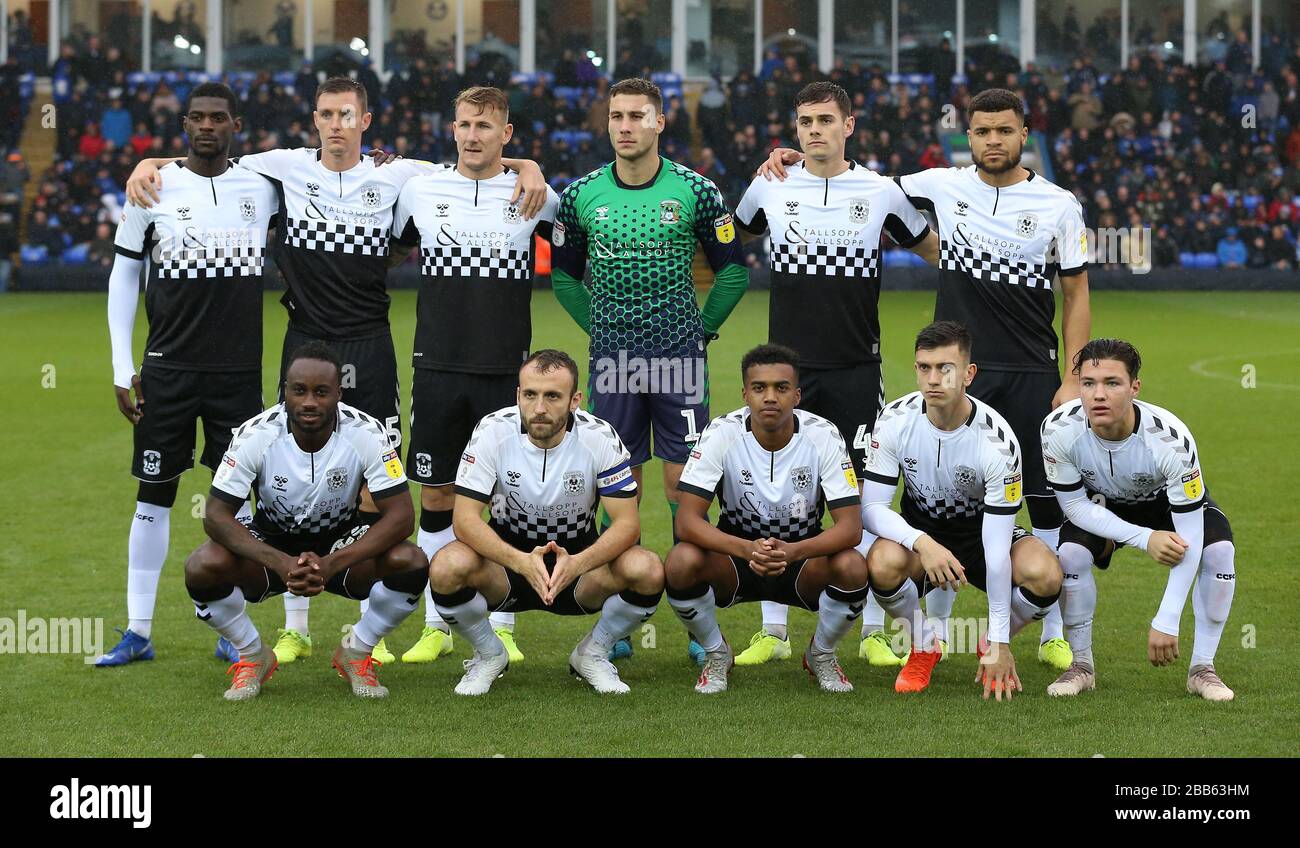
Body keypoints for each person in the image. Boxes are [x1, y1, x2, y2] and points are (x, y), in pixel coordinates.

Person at [125, 77, 548, 665]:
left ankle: (364, 634)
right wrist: (153, 159)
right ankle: (294, 628)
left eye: (346, 114)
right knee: (289, 481)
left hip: (371, 344)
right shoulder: (282, 168)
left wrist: (528, 166)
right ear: (315, 119)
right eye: (325, 114)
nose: (335, 124)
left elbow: (476, 161)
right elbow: (209, 151)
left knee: (379, 490)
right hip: (305, 341)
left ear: (365, 121)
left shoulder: (404, 177)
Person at [760, 87, 1089, 672]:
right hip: (956, 374)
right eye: (981, 132)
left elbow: (1076, 292)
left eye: (1004, 131)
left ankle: (1051, 632)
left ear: (1024, 134)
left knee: (1042, 506)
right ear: (968, 137)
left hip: (1031, 374)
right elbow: (858, 180)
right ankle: (929, 636)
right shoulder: (941, 184)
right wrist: (796, 154)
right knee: (940, 498)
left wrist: (1071, 376)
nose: (992, 141)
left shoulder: (1060, 204)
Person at [731, 81, 937, 667]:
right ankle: (774, 628)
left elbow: (933, 249)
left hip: (853, 367)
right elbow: (734, 230)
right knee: (774, 491)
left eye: (825, 119)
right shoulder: (772, 184)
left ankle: (873, 627)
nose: (814, 130)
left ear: (850, 125)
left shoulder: (879, 191)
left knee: (863, 494)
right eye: (804, 121)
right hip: (783, 371)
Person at [550, 77, 750, 663]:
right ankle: (621, 623)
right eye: (617, 116)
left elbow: (733, 271)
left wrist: (699, 332)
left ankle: (695, 620)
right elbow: (564, 276)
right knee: (619, 486)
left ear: (660, 122)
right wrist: (606, 333)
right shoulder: (581, 195)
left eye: (638, 115)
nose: (625, 126)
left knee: (682, 487)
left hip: (679, 360)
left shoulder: (696, 191)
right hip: (613, 365)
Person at [98, 83, 279, 667]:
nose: (208, 126)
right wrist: (123, 367)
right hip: (167, 372)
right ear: (183, 125)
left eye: (219, 118)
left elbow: (331, 172)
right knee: (154, 496)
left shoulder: (263, 186)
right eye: (198, 118)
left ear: (236, 124)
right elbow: (124, 276)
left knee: (237, 506)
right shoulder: (152, 186)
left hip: (236, 376)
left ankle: (234, 629)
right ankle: (138, 632)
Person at [388, 86, 561, 665]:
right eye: (463, 124)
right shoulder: (421, 189)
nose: (471, 135)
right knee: (435, 493)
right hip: (436, 365)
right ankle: (438, 622)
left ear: (505, 135)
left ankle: (505, 621)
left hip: (504, 372)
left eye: (484, 126)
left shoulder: (536, 195)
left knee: (507, 498)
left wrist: (530, 168)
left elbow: (575, 258)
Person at [185, 342, 427, 700]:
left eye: (321, 392)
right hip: (272, 543)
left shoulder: (368, 432)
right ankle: (253, 656)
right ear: (285, 391)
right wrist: (281, 563)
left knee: (411, 562)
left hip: (341, 544)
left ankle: (356, 652)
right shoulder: (255, 434)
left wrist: (332, 564)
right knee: (202, 566)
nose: (309, 402)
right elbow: (216, 516)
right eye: (299, 390)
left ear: (339, 393)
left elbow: (402, 516)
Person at [428, 350, 664, 695]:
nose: (539, 408)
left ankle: (593, 654)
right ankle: (489, 654)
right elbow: (464, 520)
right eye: (530, 394)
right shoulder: (492, 431)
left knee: (647, 569)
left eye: (552, 396)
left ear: (575, 400)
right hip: (506, 569)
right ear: (518, 395)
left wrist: (578, 563)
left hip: (578, 572)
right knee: (447, 565)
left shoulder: (600, 436)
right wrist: (521, 562)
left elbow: (628, 524)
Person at [862, 322, 1063, 699]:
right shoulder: (893, 419)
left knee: (1046, 573)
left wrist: (1001, 640)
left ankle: (987, 641)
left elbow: (998, 548)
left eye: (945, 368)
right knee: (881, 561)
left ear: (969, 374)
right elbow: (871, 509)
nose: (933, 379)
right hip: (920, 536)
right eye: (924, 367)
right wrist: (922, 542)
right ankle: (924, 644)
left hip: (981, 535)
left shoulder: (998, 442)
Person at [665, 344, 869, 694]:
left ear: (797, 395)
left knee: (852, 567)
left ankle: (820, 654)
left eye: (781, 388)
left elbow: (851, 528)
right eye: (759, 388)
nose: (770, 397)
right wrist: (746, 549)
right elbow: (686, 521)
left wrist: (793, 552)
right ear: (745, 394)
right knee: (680, 561)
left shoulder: (824, 434)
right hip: (736, 559)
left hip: (800, 560)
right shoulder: (721, 432)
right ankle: (717, 654)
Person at [1041, 339, 1237, 701]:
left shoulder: (1171, 440)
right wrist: (1143, 538)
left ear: (1135, 387)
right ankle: (1081, 666)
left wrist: (1166, 619)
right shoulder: (1057, 430)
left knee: (1219, 552)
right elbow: (1074, 507)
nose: (1098, 395)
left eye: (1112, 383)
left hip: (1165, 507)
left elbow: (1190, 535)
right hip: (1098, 505)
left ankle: (1202, 669)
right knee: (1069, 555)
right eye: (1088, 383)